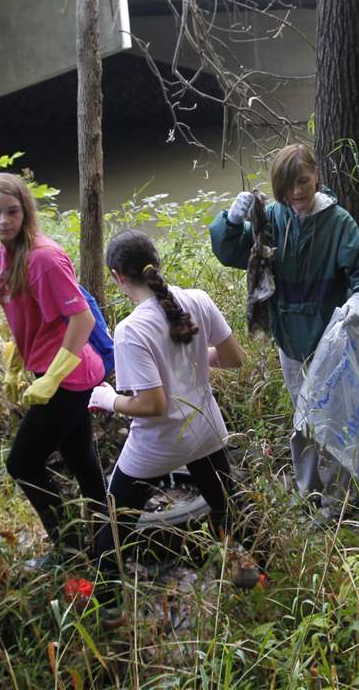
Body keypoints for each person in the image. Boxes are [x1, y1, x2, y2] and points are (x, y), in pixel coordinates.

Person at [209, 143, 359, 517]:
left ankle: (339, 503)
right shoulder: (273, 218)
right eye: (287, 187)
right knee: (304, 421)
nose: (296, 193)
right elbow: (231, 253)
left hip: (330, 340)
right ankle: (309, 493)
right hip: (289, 339)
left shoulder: (338, 223)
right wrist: (231, 220)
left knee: (333, 419)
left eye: (303, 182)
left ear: (316, 175)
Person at [87, 230, 251, 626]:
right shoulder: (196, 299)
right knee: (223, 501)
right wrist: (190, 364)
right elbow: (233, 358)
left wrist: (107, 399)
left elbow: (152, 405)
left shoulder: (130, 329)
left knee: (114, 524)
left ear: (116, 276)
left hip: (159, 446)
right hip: (208, 427)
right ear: (155, 263)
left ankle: (109, 607)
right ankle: (247, 565)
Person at [0, 172, 107, 568]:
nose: (3, 221)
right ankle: (108, 539)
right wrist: (18, 363)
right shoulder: (4, 253)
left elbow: (81, 320)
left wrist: (50, 377)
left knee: (21, 463)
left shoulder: (43, 258)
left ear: (25, 211)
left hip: (68, 379)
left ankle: (67, 547)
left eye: (12, 212)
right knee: (81, 459)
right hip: (52, 373)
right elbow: (32, 319)